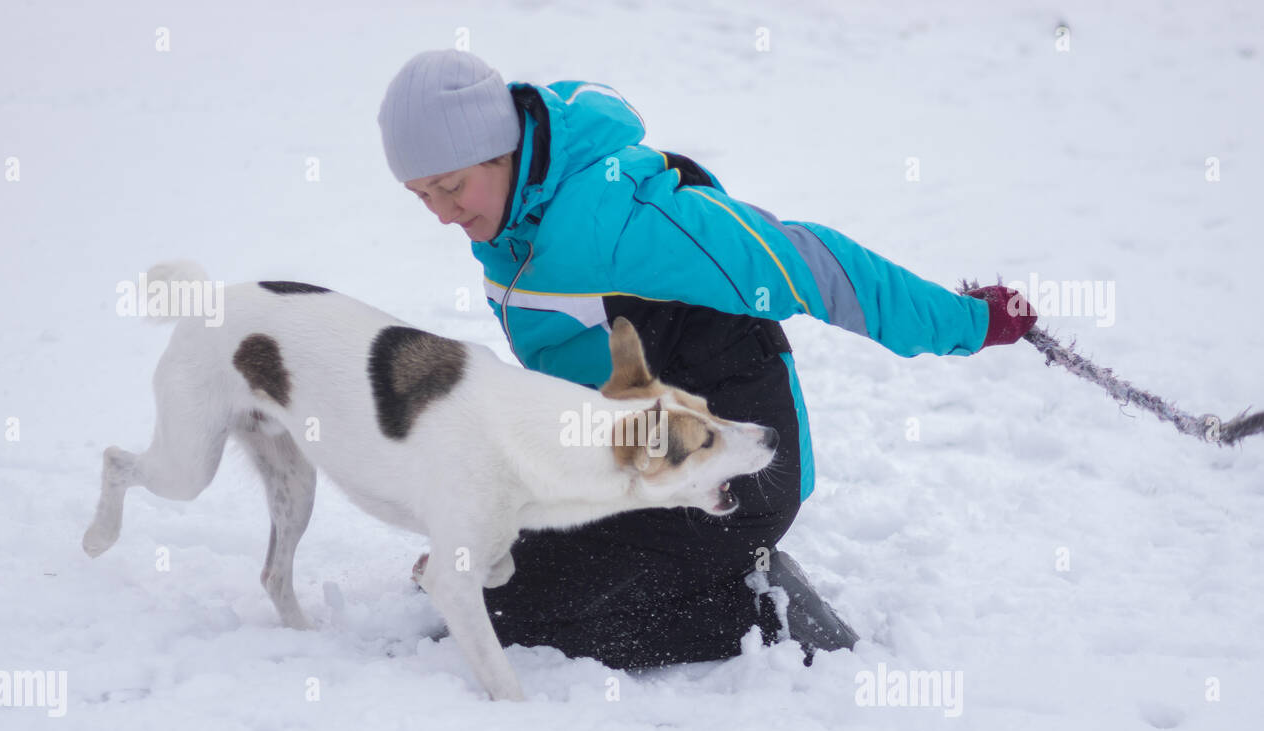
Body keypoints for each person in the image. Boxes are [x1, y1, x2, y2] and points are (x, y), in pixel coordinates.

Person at [376, 50, 1036, 670]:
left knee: (500, 617)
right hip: (641, 464)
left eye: (451, 187)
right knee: (480, 573)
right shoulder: (511, 227)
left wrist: (966, 322)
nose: (441, 213)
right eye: (421, 196)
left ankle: (759, 610)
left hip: (735, 476)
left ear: (503, 150)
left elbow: (801, 260)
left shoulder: (622, 218)